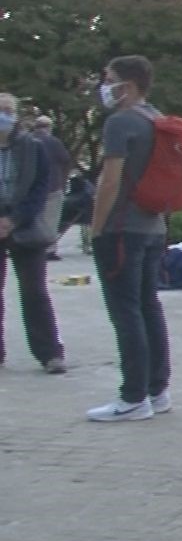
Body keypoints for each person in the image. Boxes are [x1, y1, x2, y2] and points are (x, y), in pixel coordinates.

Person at [88, 56, 173, 421]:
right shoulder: (158, 120)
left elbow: (110, 180)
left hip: (122, 227)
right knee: (148, 307)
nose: (103, 86)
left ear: (128, 85)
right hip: (154, 226)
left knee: (126, 313)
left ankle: (133, 396)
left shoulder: (121, 122)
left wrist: (96, 226)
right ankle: (158, 389)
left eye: (108, 79)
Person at [0, 94, 65, 374]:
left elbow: (41, 188)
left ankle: (49, 353)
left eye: (8, 111)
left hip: (25, 226)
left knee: (35, 292)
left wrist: (14, 219)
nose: (4, 116)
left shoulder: (32, 147)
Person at [31, 116, 72, 261]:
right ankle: (48, 249)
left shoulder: (28, 141)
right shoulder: (54, 142)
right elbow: (66, 160)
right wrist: (64, 180)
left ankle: (33, 246)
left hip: (32, 188)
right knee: (51, 220)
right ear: (49, 127)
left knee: (35, 219)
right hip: (53, 186)